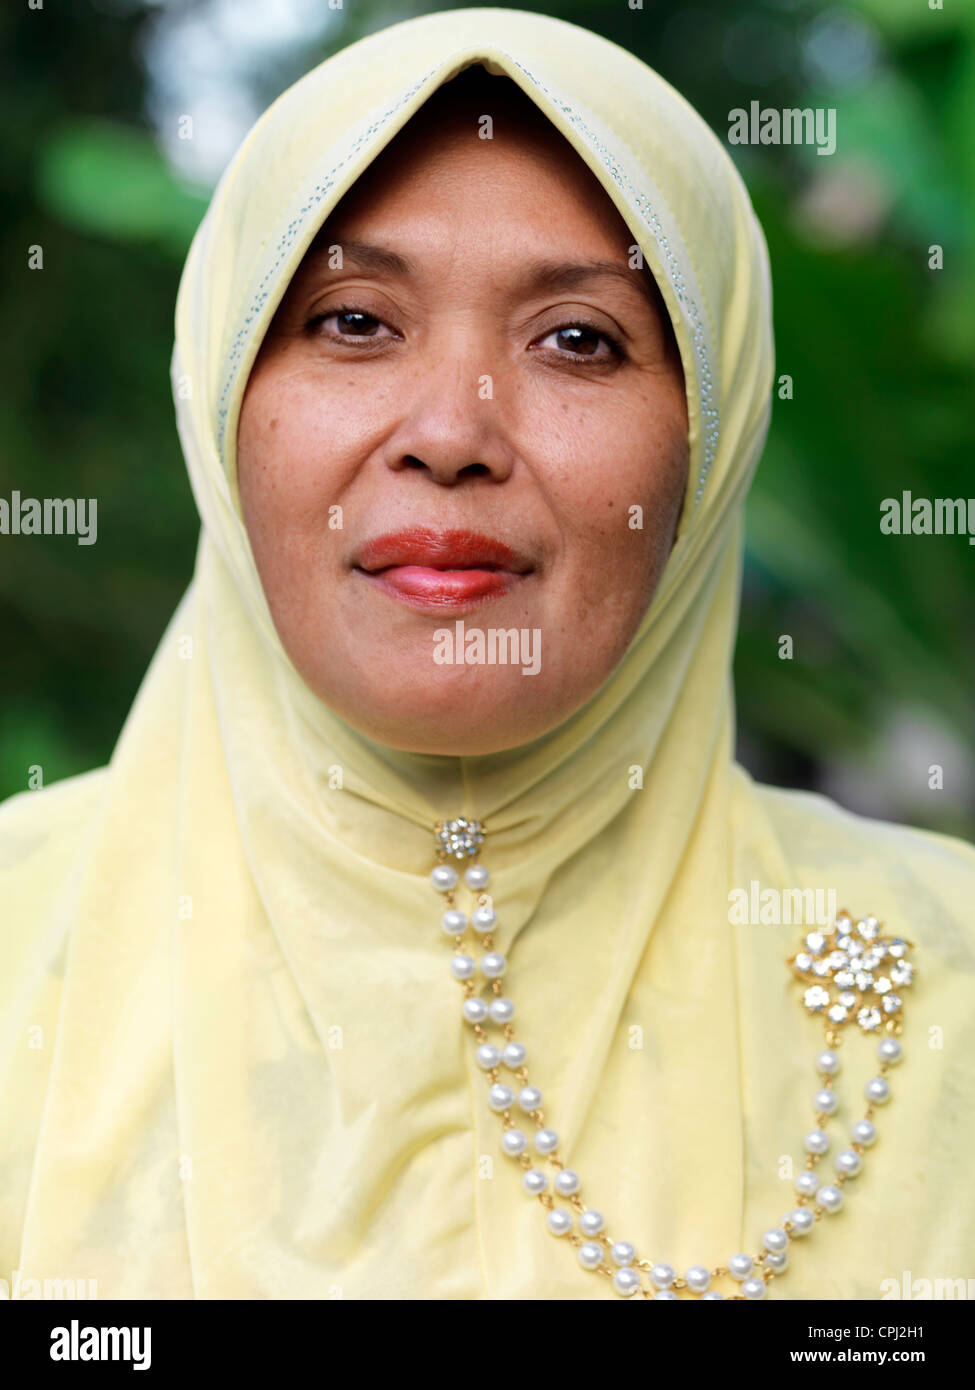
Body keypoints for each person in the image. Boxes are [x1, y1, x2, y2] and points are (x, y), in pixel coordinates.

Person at [1, 6, 973, 1301]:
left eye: (580, 337)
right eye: (353, 320)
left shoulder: (950, 975)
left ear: (711, 443)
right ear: (220, 400)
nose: (452, 431)